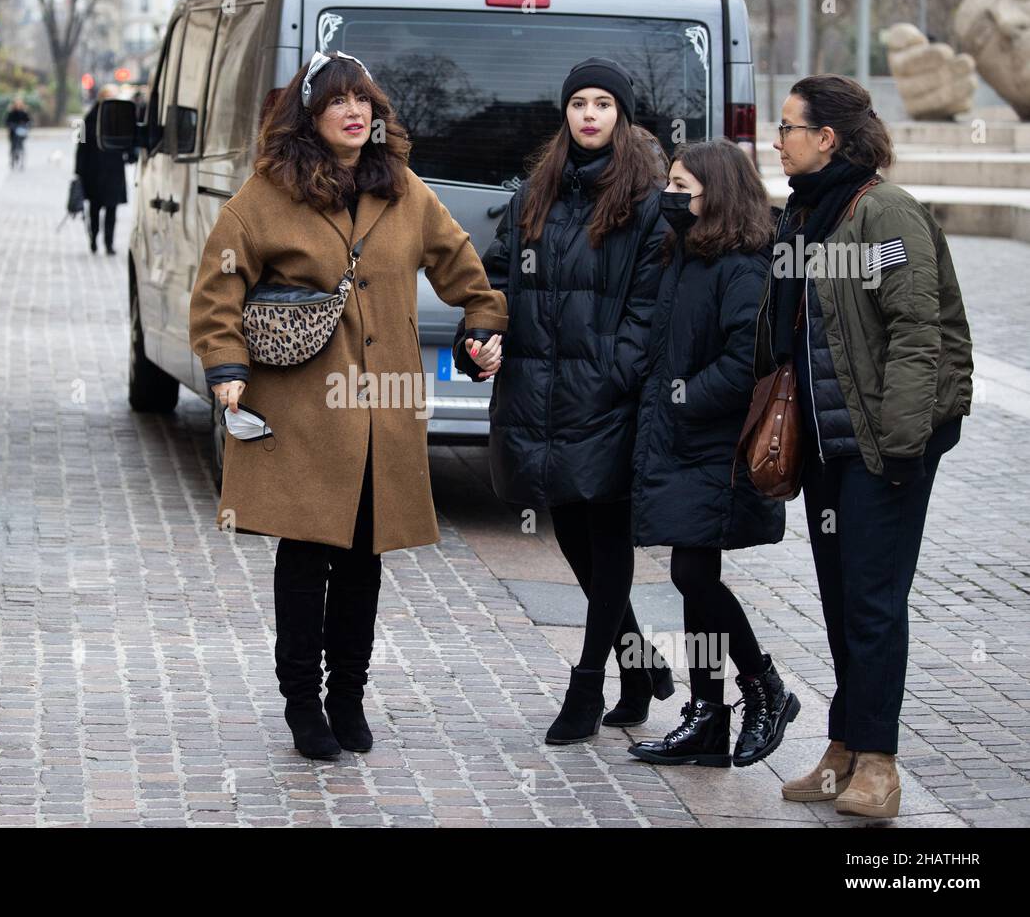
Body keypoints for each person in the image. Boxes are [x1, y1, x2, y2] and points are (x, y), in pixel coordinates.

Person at [189, 52, 507, 760]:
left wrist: (483, 323)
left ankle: (349, 696)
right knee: (306, 559)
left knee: (365, 559)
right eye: (337, 102)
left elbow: (464, 270)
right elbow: (218, 290)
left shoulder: (406, 191)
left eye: (363, 100)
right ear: (310, 116)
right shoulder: (264, 197)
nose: (354, 112)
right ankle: (303, 704)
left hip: (383, 413)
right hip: (302, 412)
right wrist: (225, 368)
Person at [758, 74, 973, 817]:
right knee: (842, 598)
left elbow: (920, 332)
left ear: (828, 138)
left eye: (788, 127)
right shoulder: (806, 215)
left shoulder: (883, 213)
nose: (776, 139)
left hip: (885, 448)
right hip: (827, 444)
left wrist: (902, 442)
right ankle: (842, 749)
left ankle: (878, 764)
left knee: (873, 603)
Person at [458, 57, 673, 745]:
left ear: (622, 115)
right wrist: (481, 338)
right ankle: (638, 668)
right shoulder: (535, 194)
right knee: (573, 535)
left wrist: (616, 373)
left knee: (605, 538)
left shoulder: (646, 198)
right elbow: (493, 281)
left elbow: (652, 303)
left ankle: (587, 686)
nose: (589, 114)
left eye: (603, 103)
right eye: (579, 102)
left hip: (607, 396)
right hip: (540, 392)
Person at [626, 139, 798, 768]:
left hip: (716, 446)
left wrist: (680, 398)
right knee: (693, 581)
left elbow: (745, 361)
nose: (669, 197)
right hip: (682, 441)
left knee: (694, 576)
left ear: (716, 194)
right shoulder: (687, 252)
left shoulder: (743, 263)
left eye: (681, 187)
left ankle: (762, 685)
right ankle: (707, 715)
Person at [76, 86, 132, 255]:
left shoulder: (119, 119)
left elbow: (128, 142)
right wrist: (79, 172)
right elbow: (81, 147)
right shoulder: (89, 119)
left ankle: (109, 242)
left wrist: (130, 154)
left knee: (112, 209)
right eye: (107, 97)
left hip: (113, 170)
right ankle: (93, 238)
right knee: (94, 208)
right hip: (94, 172)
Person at [4, 97, 31, 170]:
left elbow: (28, 121)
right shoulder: (11, 112)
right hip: (13, 132)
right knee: (13, 145)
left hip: (21, 131)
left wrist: (26, 126)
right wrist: (11, 127)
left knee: (21, 144)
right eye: (17, 104)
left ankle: (20, 155)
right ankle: (12, 157)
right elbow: (7, 122)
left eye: (20, 104)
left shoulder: (24, 112)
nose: (18, 105)